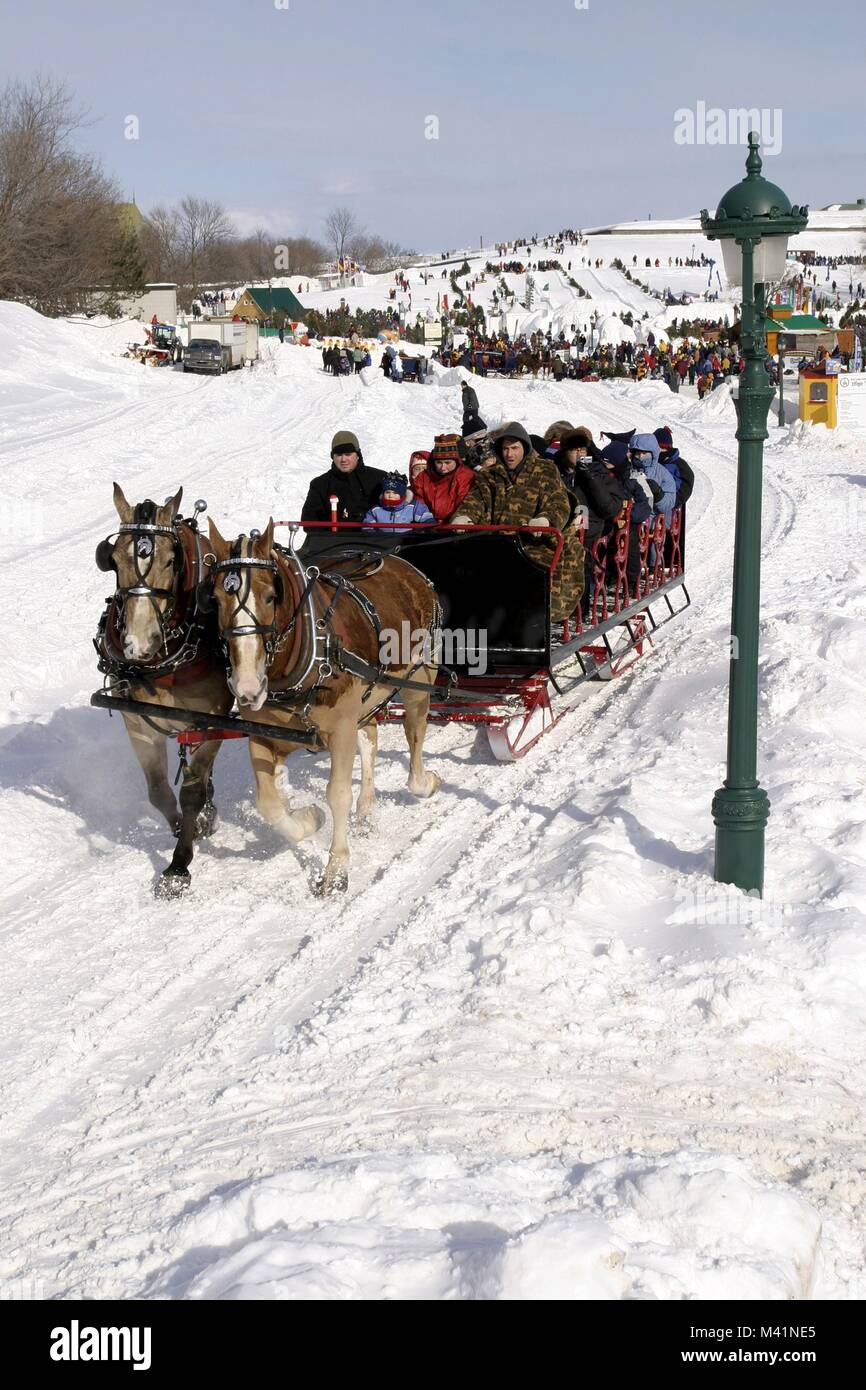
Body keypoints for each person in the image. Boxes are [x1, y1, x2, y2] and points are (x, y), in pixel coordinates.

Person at [451, 423, 586, 621]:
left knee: (526, 574)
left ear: (525, 447)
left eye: (514, 448)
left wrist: (545, 521)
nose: (509, 454)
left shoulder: (545, 470)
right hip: (496, 543)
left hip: (533, 543)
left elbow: (558, 502)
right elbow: (476, 500)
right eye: (505, 449)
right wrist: (465, 517)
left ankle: (526, 621)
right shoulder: (490, 475)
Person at [300, 430, 387, 525]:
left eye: (348, 454)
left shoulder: (380, 479)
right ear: (333, 457)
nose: (343, 459)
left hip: (374, 538)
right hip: (334, 539)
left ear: (358, 455)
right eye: (339, 455)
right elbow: (309, 521)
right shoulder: (320, 484)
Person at [413, 433, 476, 522]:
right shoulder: (423, 477)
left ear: (456, 460)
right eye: (439, 462)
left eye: (447, 463)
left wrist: (456, 519)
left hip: (455, 525)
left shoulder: (466, 476)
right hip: (427, 525)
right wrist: (426, 518)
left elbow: (465, 502)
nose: (443, 467)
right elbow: (419, 501)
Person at [627, 434, 676, 526]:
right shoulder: (627, 470)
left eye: (644, 453)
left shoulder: (663, 474)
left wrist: (658, 493)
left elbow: (668, 505)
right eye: (637, 453)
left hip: (654, 521)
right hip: (629, 516)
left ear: (653, 454)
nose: (641, 457)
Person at [363, 474, 435, 532]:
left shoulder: (412, 506)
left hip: (406, 540)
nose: (391, 495)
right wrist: (372, 534)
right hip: (384, 540)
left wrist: (429, 523)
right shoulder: (376, 509)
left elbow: (425, 516)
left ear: (402, 494)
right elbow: (367, 525)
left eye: (395, 493)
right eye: (387, 492)